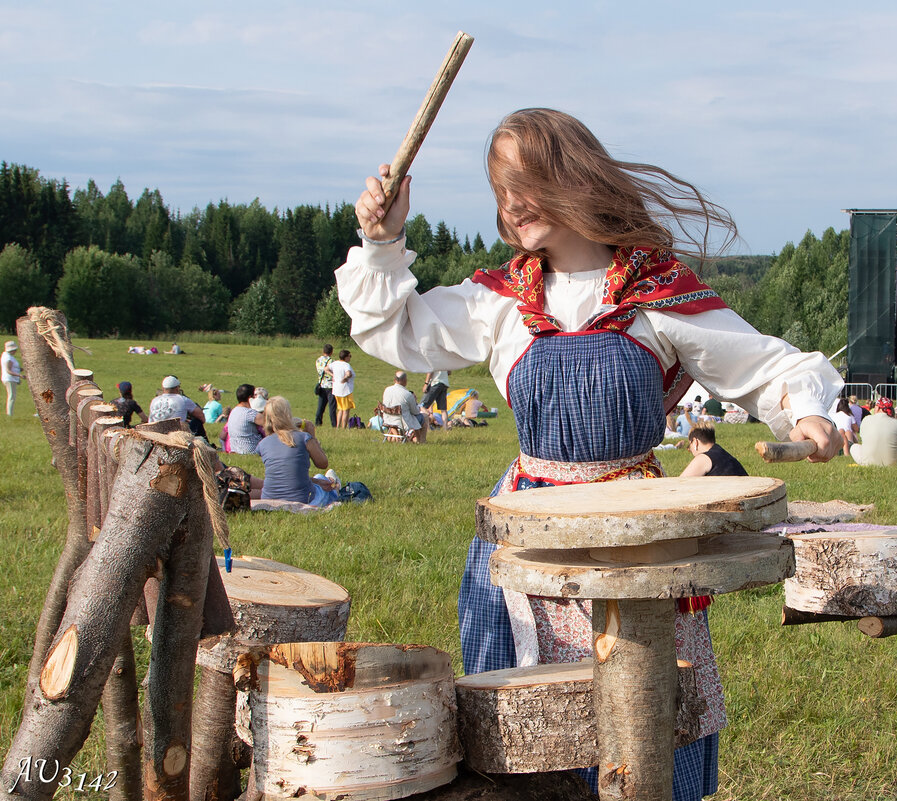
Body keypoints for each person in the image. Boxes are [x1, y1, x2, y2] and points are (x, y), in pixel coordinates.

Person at [336, 107, 842, 800]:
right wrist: (384, 242)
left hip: (633, 538)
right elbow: (392, 326)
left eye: (529, 182)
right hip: (526, 542)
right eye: (501, 190)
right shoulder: (503, 301)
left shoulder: (653, 293)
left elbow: (763, 364)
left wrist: (808, 411)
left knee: (641, 721)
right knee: (527, 733)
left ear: (574, 177)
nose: (513, 205)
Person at [255, 397, 339, 506]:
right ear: (288, 415)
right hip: (302, 499)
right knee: (322, 479)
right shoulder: (303, 437)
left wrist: (315, 481)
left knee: (318, 480)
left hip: (269, 498)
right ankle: (336, 487)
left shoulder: (263, 444)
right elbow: (323, 463)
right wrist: (312, 436)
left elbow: (286, 474)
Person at [850, 397, 897, 466]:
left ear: (877, 408)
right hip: (892, 463)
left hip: (867, 463)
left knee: (854, 447)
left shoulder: (866, 420)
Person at [680, 422, 748, 476]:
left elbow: (679, 484)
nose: (690, 450)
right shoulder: (725, 456)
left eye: (689, 445)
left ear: (695, 442)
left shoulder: (703, 458)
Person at [380, 370, 429, 442]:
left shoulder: (387, 390)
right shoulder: (407, 394)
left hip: (387, 419)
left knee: (415, 418)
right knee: (424, 417)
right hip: (402, 422)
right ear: (405, 381)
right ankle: (421, 441)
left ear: (394, 380)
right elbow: (415, 412)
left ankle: (408, 439)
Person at [223, 383, 264, 454]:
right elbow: (272, 425)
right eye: (255, 396)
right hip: (252, 450)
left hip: (236, 450)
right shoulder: (250, 413)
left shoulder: (234, 411)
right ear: (250, 398)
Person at [329, 349, 356, 428]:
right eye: (349, 356)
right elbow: (349, 373)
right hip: (345, 390)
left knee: (340, 409)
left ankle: (338, 426)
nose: (350, 358)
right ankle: (343, 427)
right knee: (346, 410)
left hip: (336, 389)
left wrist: (332, 375)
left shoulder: (334, 363)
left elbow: (326, 369)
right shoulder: (346, 365)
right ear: (346, 357)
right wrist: (345, 378)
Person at [315, 344, 336, 426]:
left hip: (322, 385)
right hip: (331, 386)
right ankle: (334, 424)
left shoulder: (318, 360)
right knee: (332, 407)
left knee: (320, 407)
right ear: (331, 352)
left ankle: (318, 422)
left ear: (323, 351)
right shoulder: (332, 361)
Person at [3, 340, 22, 416]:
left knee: (11, 396)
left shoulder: (7, 356)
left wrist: (20, 369)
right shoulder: (8, 358)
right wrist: (19, 375)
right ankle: (9, 414)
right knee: (11, 396)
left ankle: (9, 413)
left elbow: (13, 368)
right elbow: (8, 370)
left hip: (9, 378)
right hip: (10, 379)